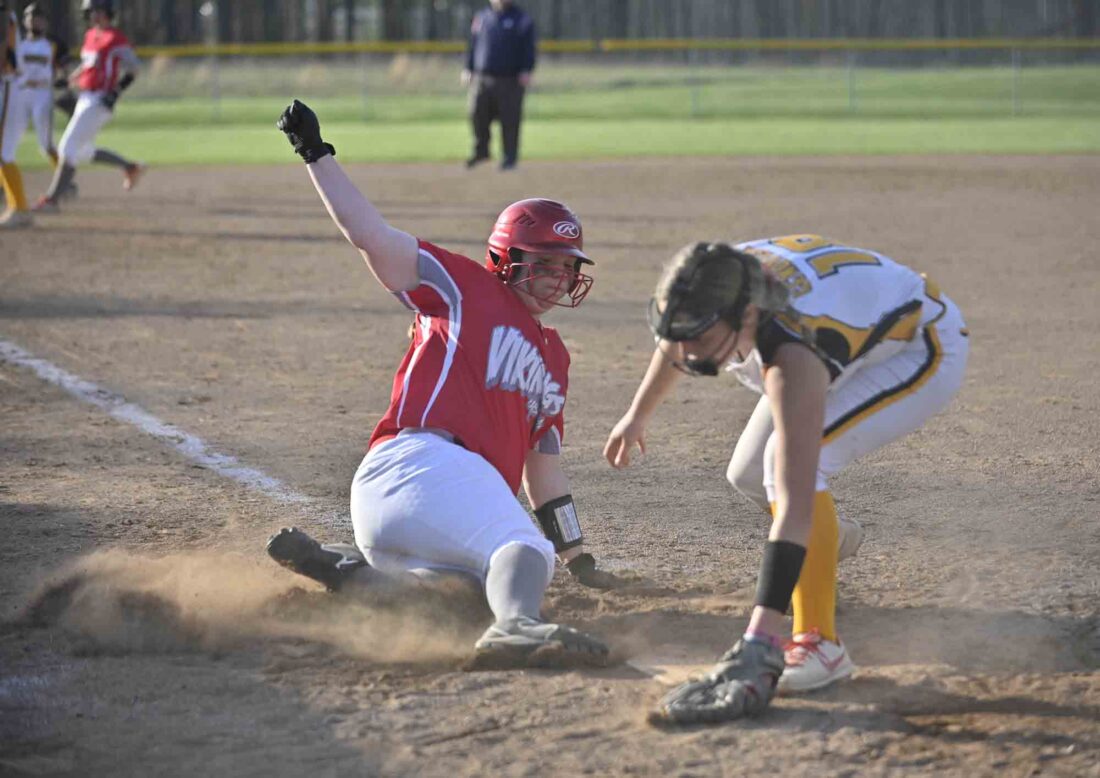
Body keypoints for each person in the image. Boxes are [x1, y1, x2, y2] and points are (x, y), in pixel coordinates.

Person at [267, 98, 617, 669]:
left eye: (567, 267)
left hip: (407, 519)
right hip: (420, 464)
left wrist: (578, 556)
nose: (558, 278)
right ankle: (519, 629)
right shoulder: (464, 286)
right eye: (545, 263)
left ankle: (346, 573)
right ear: (505, 258)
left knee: (465, 600)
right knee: (521, 550)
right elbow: (372, 237)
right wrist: (316, 153)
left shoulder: (555, 358)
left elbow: (543, 467)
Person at [604, 237, 968, 724]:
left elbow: (795, 504)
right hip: (856, 323)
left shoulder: (794, 349)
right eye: (679, 332)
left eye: (701, 336)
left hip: (918, 346)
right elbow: (681, 330)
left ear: (748, 315)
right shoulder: (719, 282)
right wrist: (637, 415)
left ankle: (821, 645)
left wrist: (760, 636)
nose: (688, 353)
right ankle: (826, 543)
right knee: (749, 474)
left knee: (788, 467)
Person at [33, 0, 142, 214]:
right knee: (81, 151)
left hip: (100, 100)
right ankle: (131, 167)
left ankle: (52, 200)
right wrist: (71, 80)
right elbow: (88, 66)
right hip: (85, 96)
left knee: (66, 147)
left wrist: (115, 92)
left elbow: (134, 69)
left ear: (108, 13)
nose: (94, 15)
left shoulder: (115, 38)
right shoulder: (91, 36)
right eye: (91, 12)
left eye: (98, 11)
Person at [462, 0, 535, 171]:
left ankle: (509, 157)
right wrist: (468, 68)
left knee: (510, 119)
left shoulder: (521, 18)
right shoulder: (482, 17)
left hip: (510, 78)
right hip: (482, 76)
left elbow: (529, 47)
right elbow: (473, 45)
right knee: (476, 113)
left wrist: (527, 69)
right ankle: (481, 151)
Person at [0, 0, 32, 229]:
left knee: (3, 150)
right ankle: (16, 205)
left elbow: (4, 55)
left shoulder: (3, 15)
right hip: (6, 84)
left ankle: (20, 208)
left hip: (7, 84)